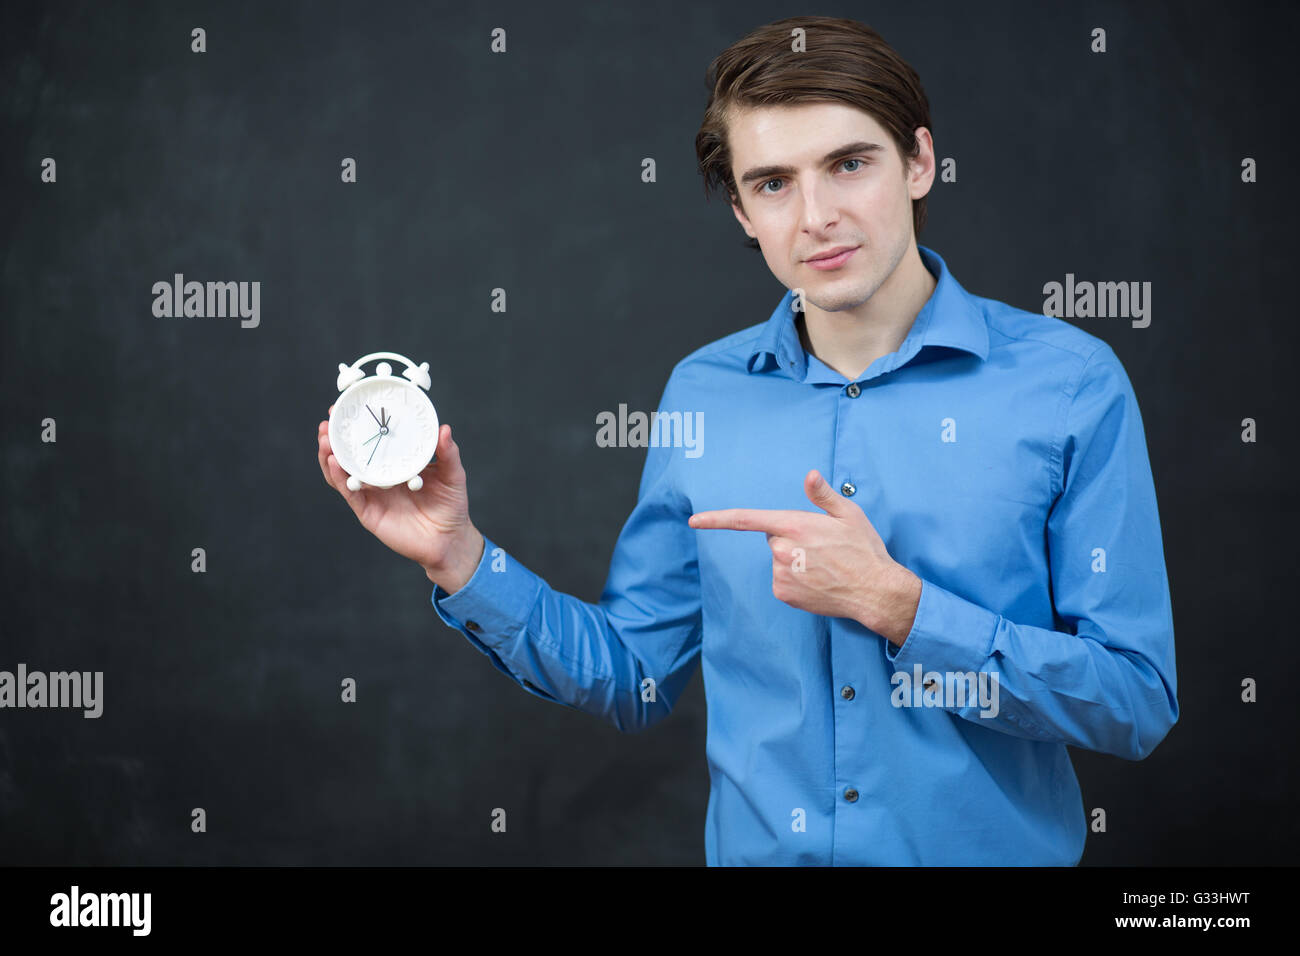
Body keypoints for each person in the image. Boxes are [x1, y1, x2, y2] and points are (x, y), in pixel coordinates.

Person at [316, 15, 1178, 865]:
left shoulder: (1068, 384)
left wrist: (903, 609)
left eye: (849, 164)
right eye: (772, 183)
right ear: (740, 209)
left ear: (918, 162)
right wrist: (460, 558)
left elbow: (1136, 699)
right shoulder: (703, 393)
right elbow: (633, 674)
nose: (816, 217)